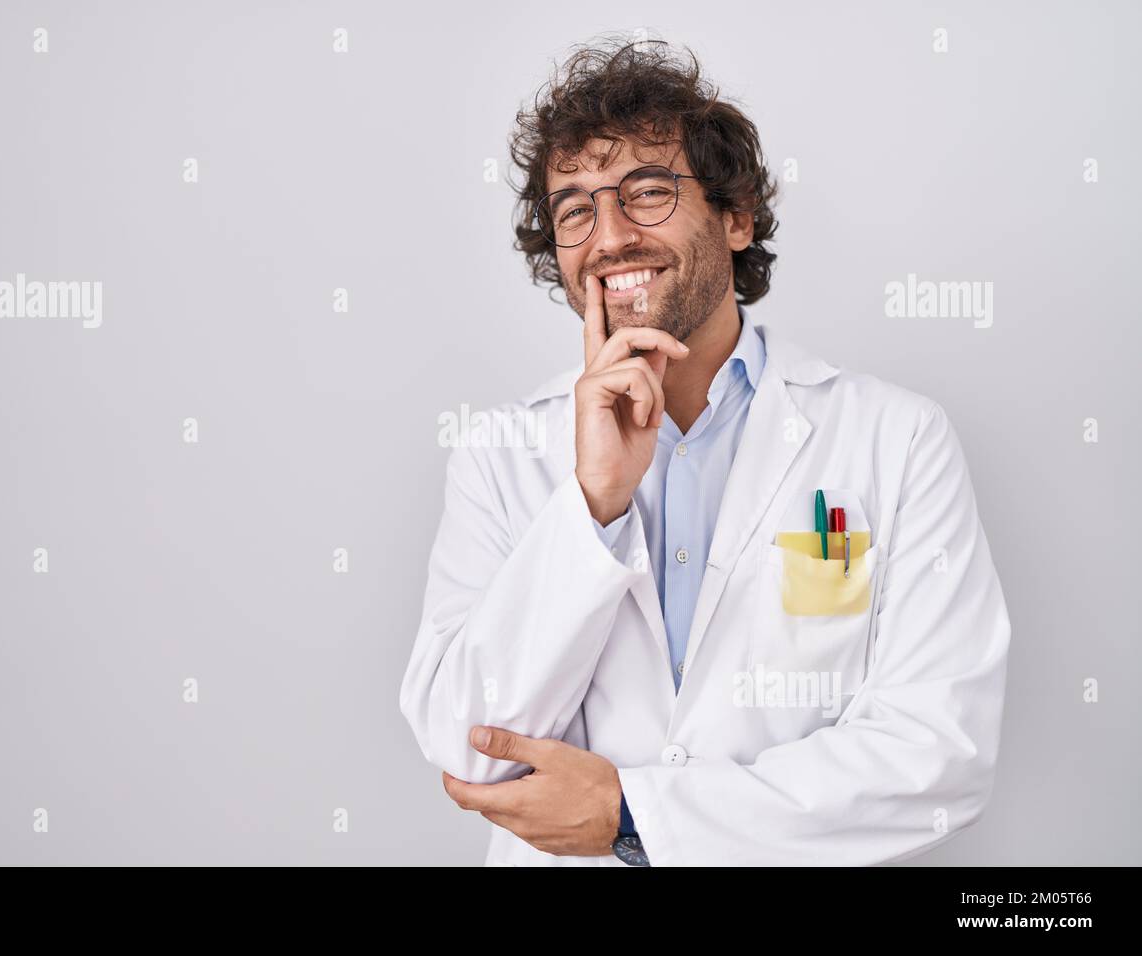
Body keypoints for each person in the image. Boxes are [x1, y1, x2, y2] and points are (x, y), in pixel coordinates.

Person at [399, 38, 1010, 866]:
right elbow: (471, 746)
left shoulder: (895, 440)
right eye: (575, 208)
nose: (608, 237)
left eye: (647, 191)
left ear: (735, 217)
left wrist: (636, 814)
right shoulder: (500, 452)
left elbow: (938, 758)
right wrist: (591, 505)